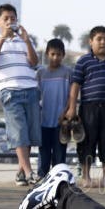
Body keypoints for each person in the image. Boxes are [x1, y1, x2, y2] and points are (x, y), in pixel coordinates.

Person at [64, 26, 105, 188]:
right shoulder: (83, 61)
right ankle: (86, 177)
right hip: (88, 108)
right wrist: (72, 108)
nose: (102, 42)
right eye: (99, 39)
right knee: (86, 141)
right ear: (91, 42)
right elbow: (75, 86)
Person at [0, 3, 41, 186]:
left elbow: (34, 63)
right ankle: (29, 172)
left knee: (30, 132)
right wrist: (2, 39)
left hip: (30, 89)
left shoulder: (25, 39)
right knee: (18, 131)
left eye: (13, 18)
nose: (10, 22)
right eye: (6, 19)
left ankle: (20, 172)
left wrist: (26, 41)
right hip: (10, 91)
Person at [36, 39, 72, 177]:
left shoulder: (68, 72)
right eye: (52, 54)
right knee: (43, 154)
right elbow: (37, 96)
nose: (55, 57)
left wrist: (66, 112)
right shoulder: (40, 73)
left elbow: (71, 95)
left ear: (63, 55)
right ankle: (42, 180)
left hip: (61, 122)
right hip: (43, 121)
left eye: (58, 54)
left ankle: (58, 182)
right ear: (47, 54)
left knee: (59, 155)